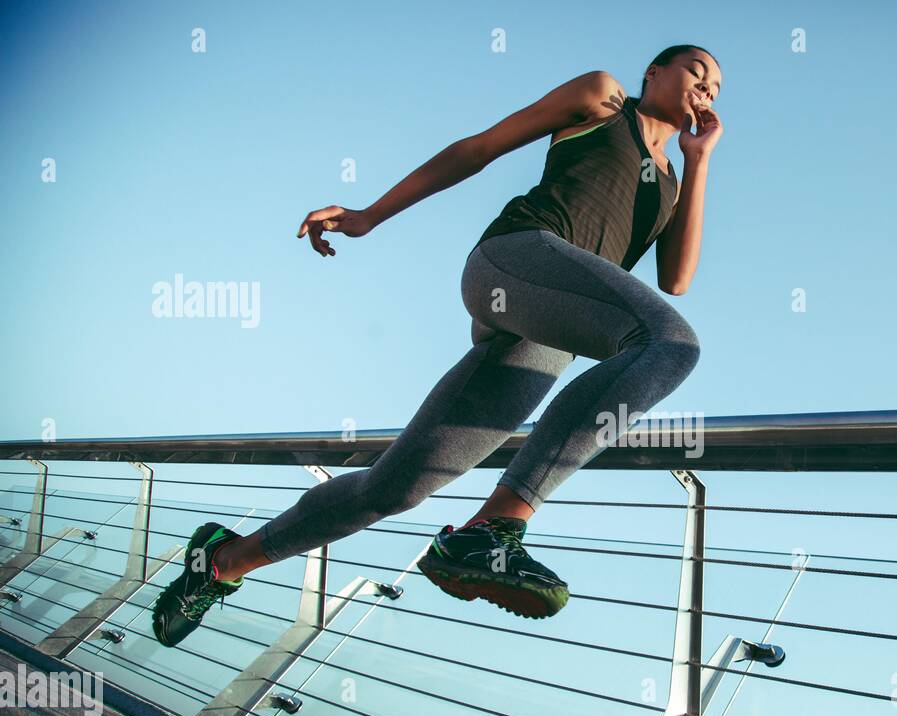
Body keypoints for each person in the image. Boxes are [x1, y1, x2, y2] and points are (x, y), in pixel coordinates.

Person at [151, 46, 723, 646]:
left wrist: (698, 160)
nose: (706, 90)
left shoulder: (672, 184)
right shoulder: (603, 100)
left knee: (396, 486)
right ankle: (494, 528)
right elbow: (478, 149)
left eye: (715, 88)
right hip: (514, 258)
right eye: (696, 73)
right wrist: (370, 215)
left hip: (548, 330)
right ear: (653, 74)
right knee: (671, 341)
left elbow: (676, 278)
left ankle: (220, 562)